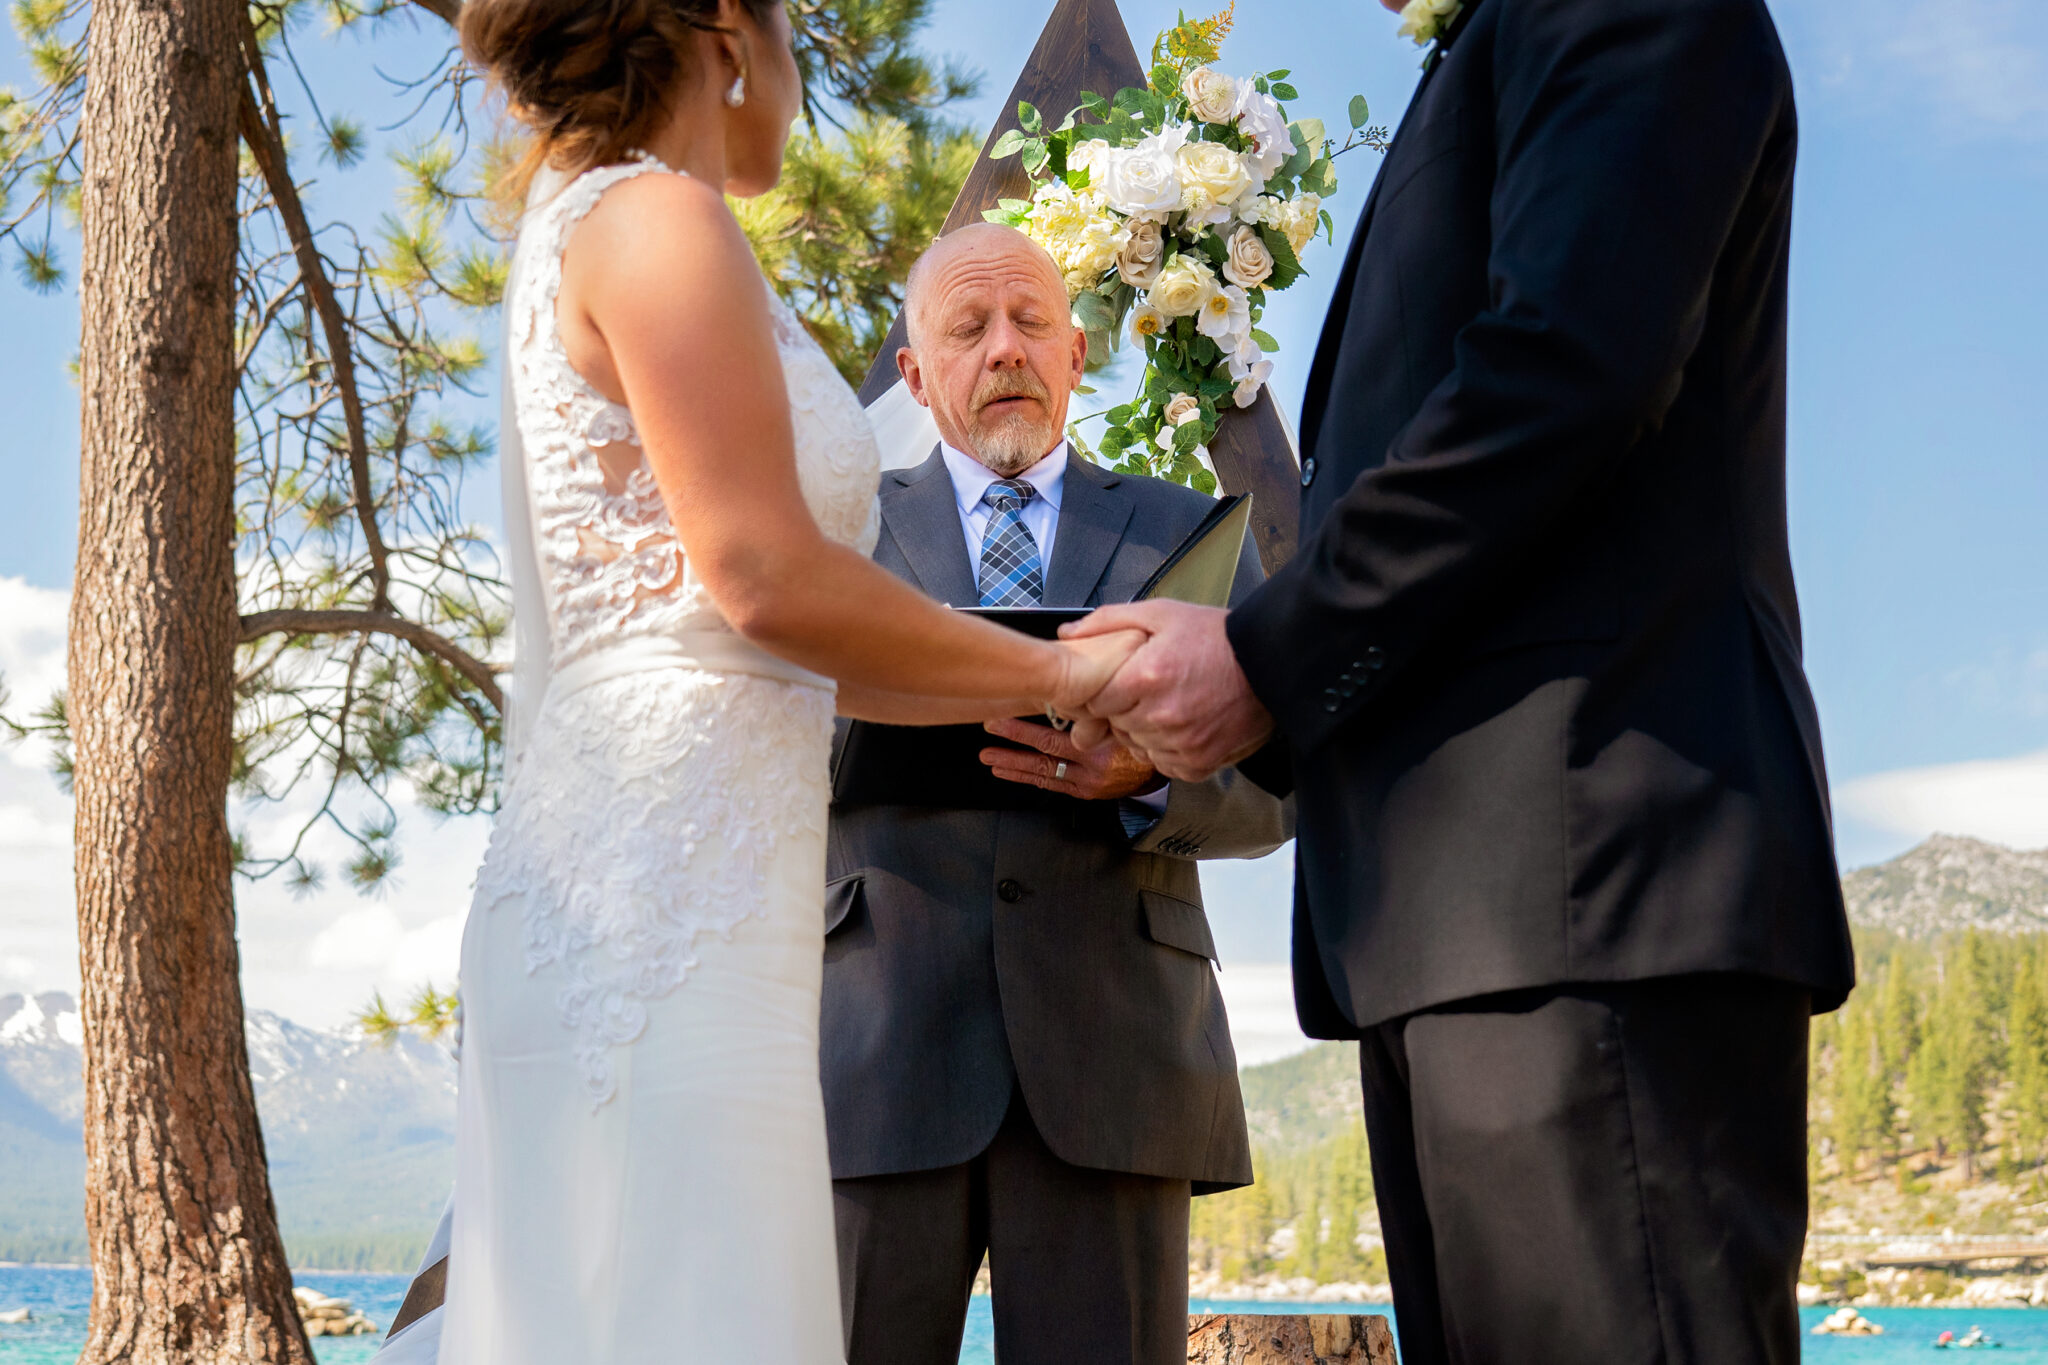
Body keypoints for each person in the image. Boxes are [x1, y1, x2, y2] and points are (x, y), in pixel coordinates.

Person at [1067, 0, 1856, 1360]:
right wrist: (1230, 730)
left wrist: (1262, 658)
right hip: (1460, 922)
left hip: (1588, 879)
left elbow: (1564, 375)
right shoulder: (1484, 48)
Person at [440, 2, 1139, 1361]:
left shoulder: (593, 224)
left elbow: (793, 655)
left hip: (681, 883)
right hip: (665, 909)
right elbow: (764, 574)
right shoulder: (658, 219)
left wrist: (1062, 692)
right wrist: (1070, 667)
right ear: (726, 26)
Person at [823, 225, 1290, 1365]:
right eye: (967, 328)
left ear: (1078, 353)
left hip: (1118, 1061)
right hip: (874, 1055)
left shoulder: (1192, 533)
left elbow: (1279, 790)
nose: (1004, 349)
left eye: (1030, 321)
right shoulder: (831, 533)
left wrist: (1151, 773)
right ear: (915, 373)